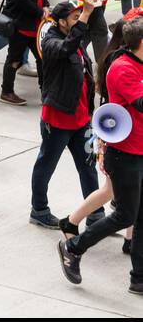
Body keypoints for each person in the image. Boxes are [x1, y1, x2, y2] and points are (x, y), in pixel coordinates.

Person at [58, 16, 143, 292]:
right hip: (125, 154)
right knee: (125, 215)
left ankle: (138, 278)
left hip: (139, 150)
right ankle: (73, 246)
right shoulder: (123, 69)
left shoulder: (137, 63)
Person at [30, 0, 101, 228]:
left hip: (81, 120)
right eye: (74, 18)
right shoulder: (50, 42)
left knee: (88, 166)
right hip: (57, 120)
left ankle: (96, 214)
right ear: (61, 22)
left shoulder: (75, 39)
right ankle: (39, 210)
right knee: (46, 165)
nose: (79, 20)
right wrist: (85, 17)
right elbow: (66, 48)